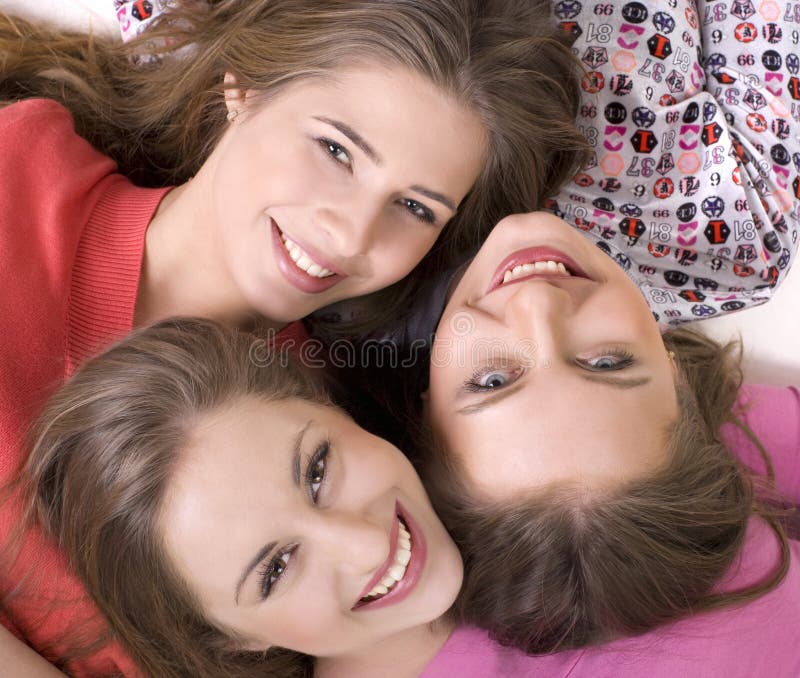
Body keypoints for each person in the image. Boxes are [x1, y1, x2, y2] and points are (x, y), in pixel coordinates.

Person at [0, 1, 590, 672]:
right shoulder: (19, 184)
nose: (352, 234)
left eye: (414, 207)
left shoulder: (348, 430)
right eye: (336, 151)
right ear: (244, 87)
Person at [16, 317, 800, 678]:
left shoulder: (529, 434)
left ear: (337, 412)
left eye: (318, 470)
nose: (364, 544)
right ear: (230, 640)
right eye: (276, 568)